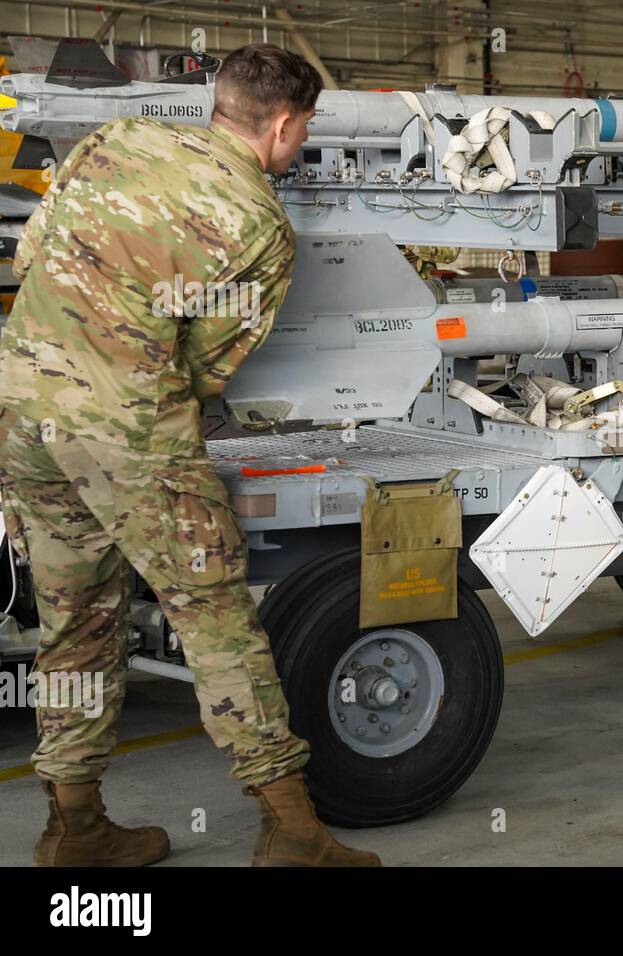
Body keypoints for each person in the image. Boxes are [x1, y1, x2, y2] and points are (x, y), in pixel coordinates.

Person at [0, 43, 379, 866]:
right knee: (214, 619)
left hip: (24, 413)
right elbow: (209, 366)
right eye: (305, 129)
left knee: (74, 624)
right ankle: (294, 831)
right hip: (128, 432)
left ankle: (75, 826)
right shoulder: (258, 222)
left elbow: (29, 259)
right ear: (282, 124)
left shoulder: (115, 140)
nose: (302, 145)